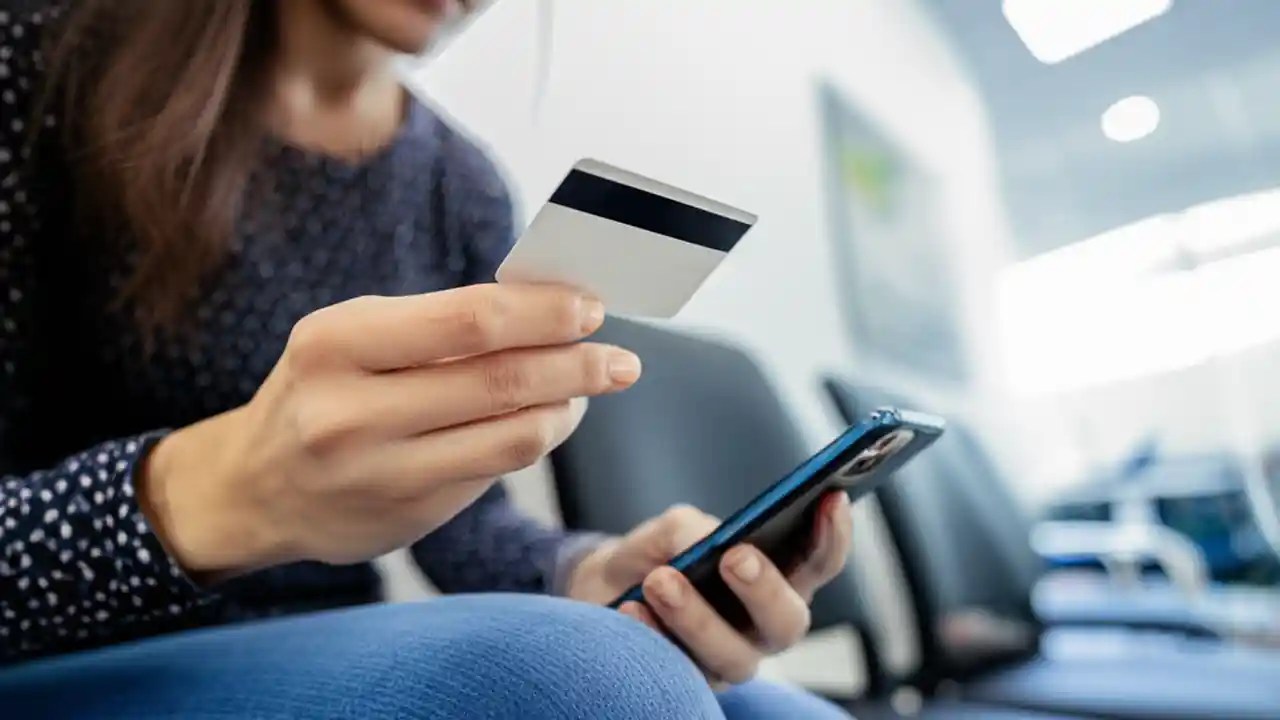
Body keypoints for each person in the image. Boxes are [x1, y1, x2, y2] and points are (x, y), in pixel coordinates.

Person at [0, 1, 855, 717]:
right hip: (68, 646)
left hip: (320, 635)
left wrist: (588, 573)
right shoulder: (46, 61)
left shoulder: (461, 185)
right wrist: (211, 497)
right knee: (596, 681)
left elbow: (461, 530)